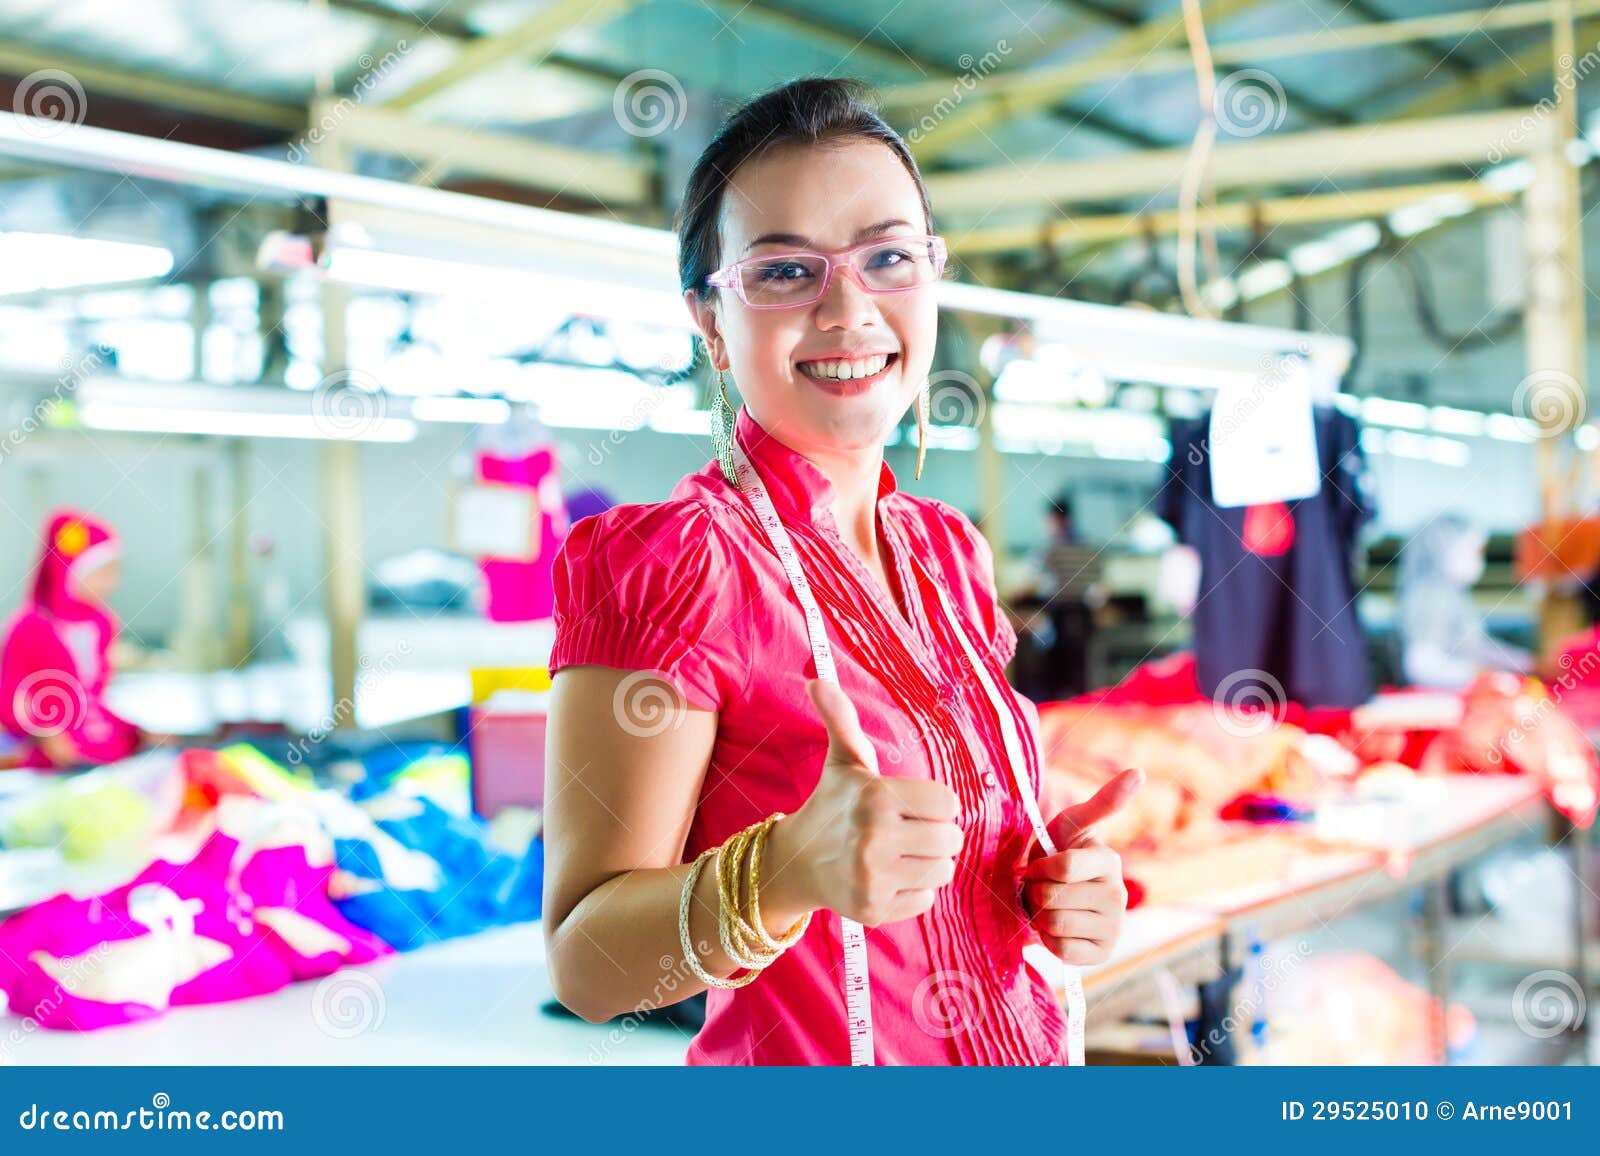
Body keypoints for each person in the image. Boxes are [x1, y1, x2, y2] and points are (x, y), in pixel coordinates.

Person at [542, 77, 1139, 1066]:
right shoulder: (673, 562)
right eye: (783, 272)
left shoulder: (947, 552)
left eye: (889, 256)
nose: (849, 306)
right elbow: (585, 965)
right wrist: (778, 873)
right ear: (708, 319)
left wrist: (1058, 893)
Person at [0, 510, 140, 769]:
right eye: (103, 573)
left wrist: (136, 732)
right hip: (51, 759)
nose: (112, 583)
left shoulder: (102, 624)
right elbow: (9, 697)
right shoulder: (30, 627)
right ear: (70, 572)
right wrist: (44, 732)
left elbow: (94, 699)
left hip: (103, 750)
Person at [1397, 512, 1531, 689]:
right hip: (1439, 701)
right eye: (1477, 551)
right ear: (1450, 549)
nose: (1480, 560)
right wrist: (1481, 674)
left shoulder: (1452, 594)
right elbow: (1421, 665)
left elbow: (1474, 647)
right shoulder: (1432, 597)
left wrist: (1525, 663)